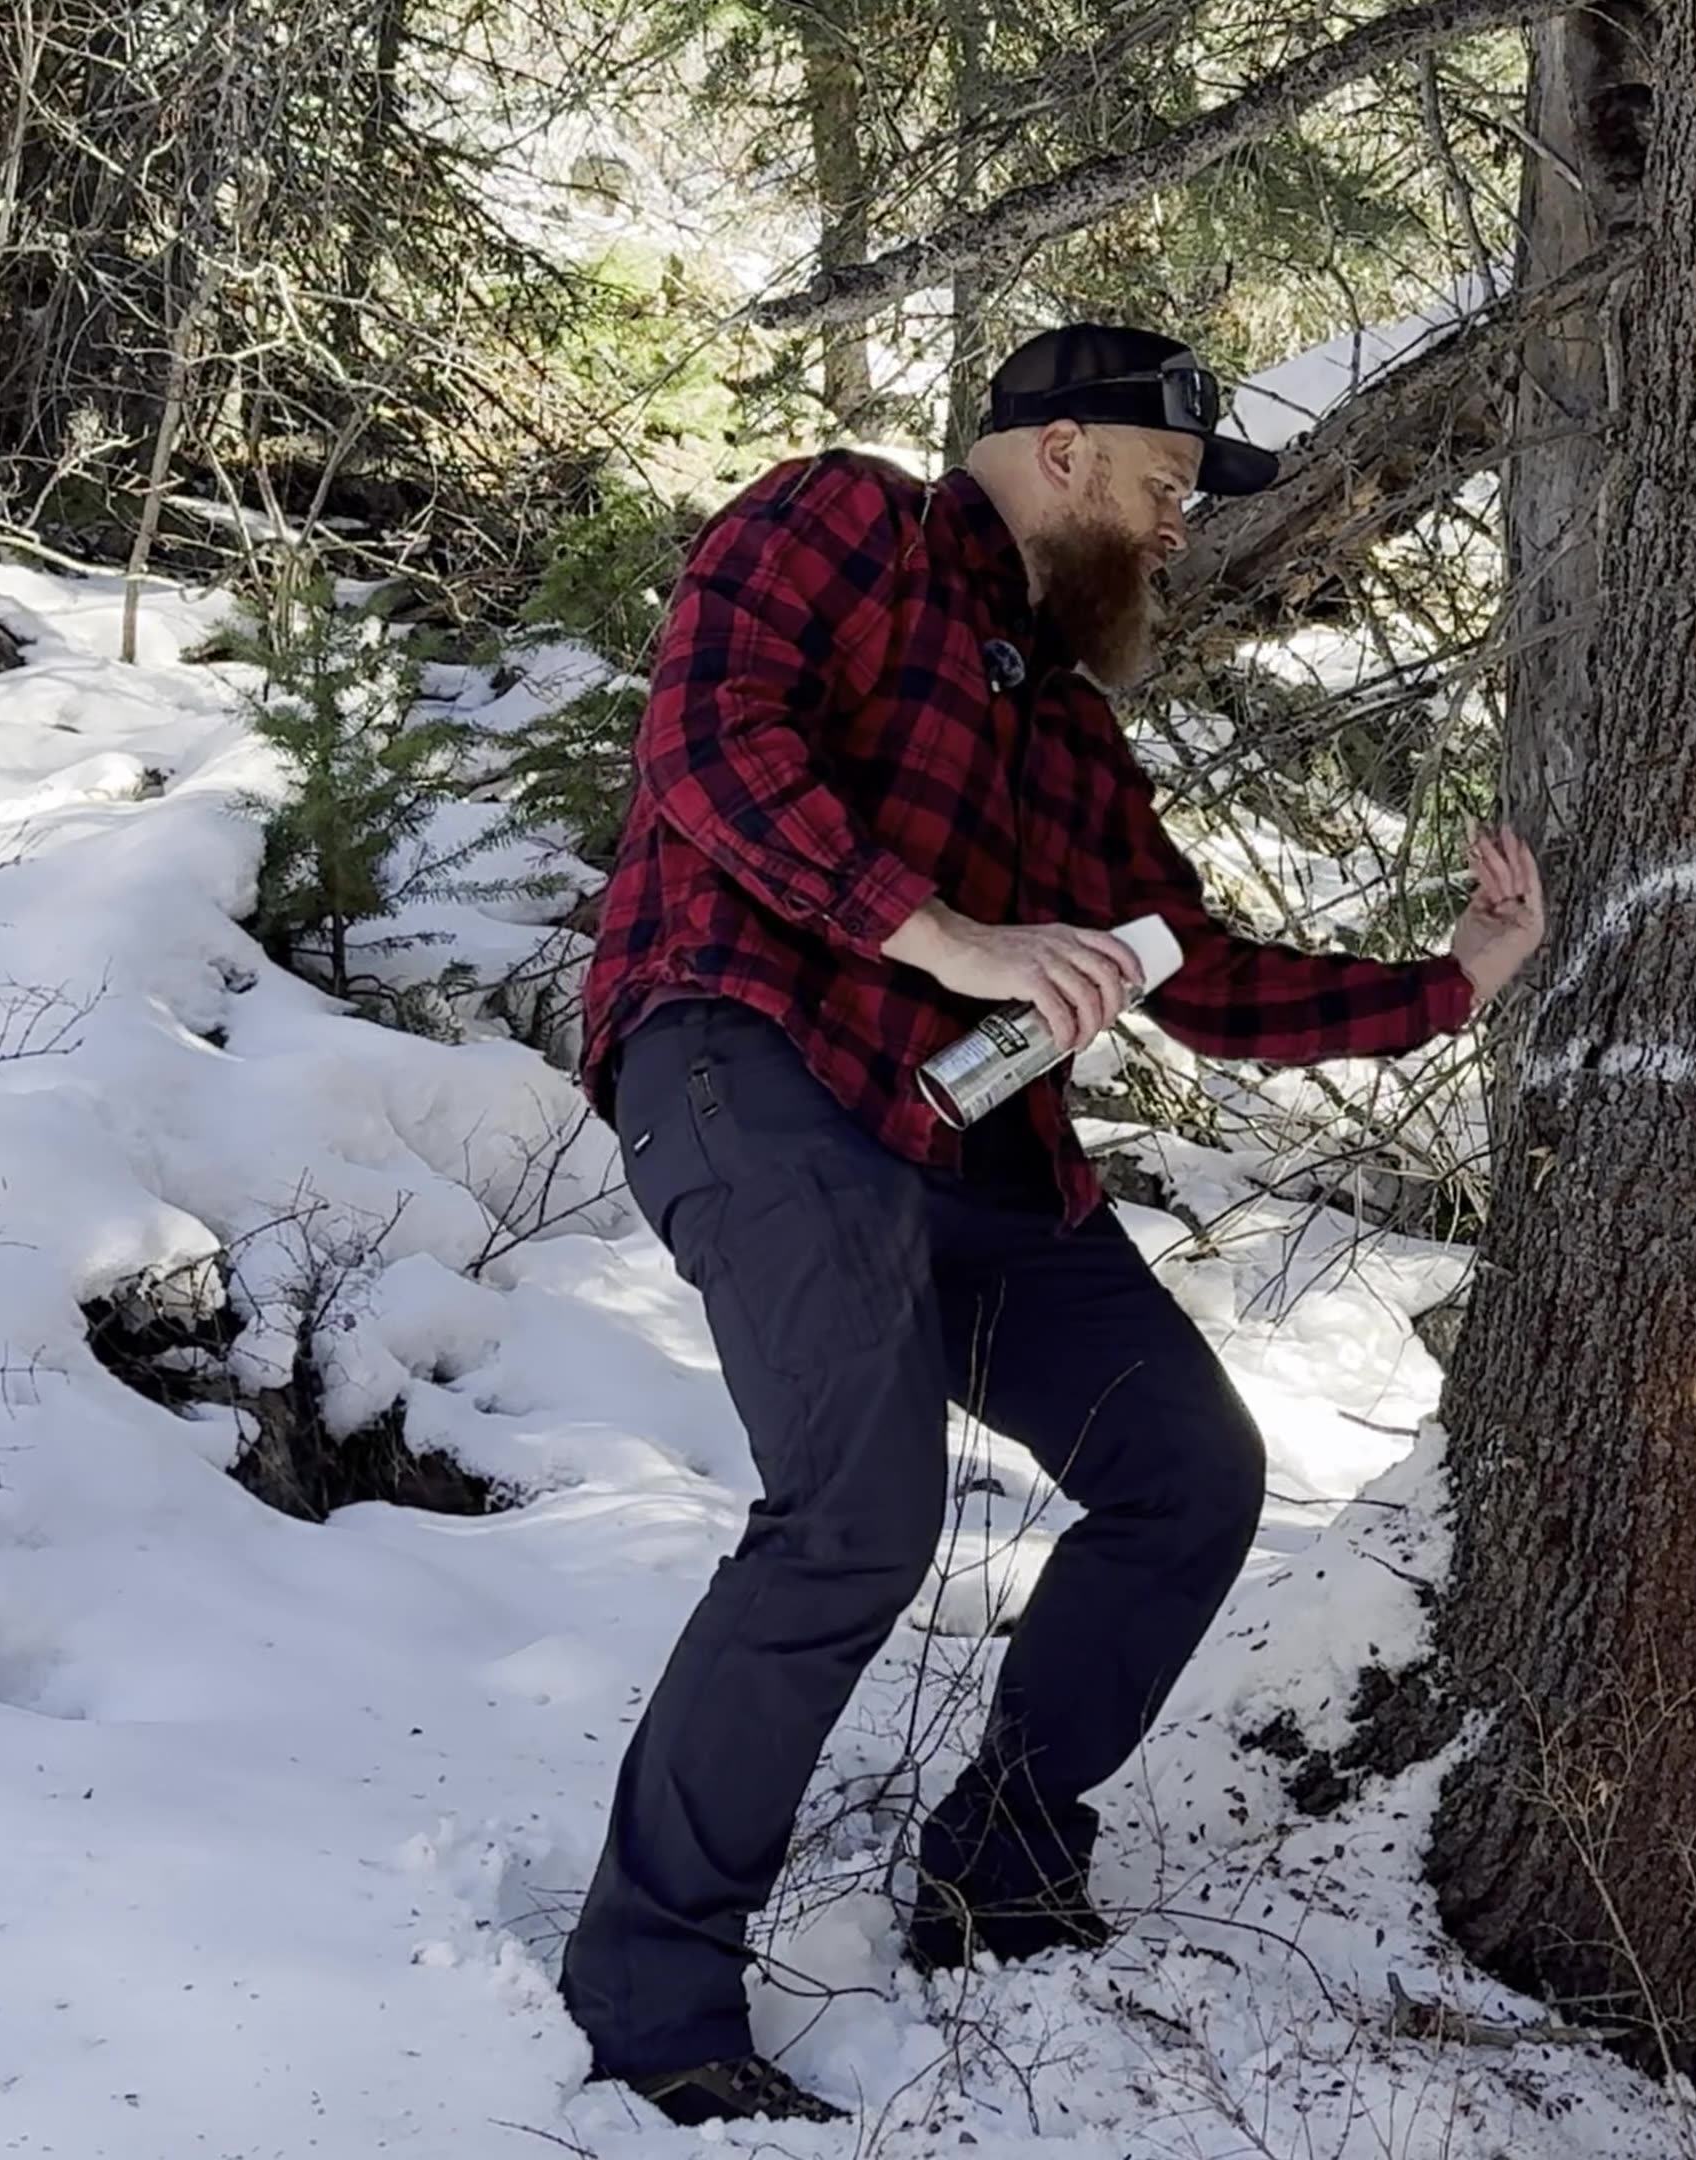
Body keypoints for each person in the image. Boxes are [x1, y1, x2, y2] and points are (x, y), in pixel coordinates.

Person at [556, 323, 1547, 2125]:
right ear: (1067, 451)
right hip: (754, 1061)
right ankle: (651, 1991)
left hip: (974, 1155)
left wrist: (1451, 985)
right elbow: (710, 747)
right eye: (1168, 489)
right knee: (856, 1521)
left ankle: (997, 1866)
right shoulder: (835, 520)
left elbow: (1204, 970)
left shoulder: (1064, 721)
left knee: (1186, 1472)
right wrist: (944, 933)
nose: (1178, 532)